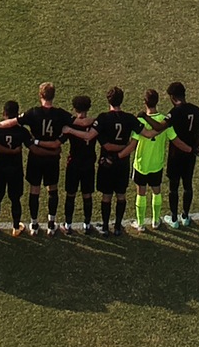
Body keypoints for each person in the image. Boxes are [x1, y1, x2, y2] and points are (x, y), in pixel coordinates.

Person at [15, 82, 70, 235]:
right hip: (52, 158)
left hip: (36, 157)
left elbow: (16, 122)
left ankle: (34, 224)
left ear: (40, 95)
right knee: (52, 188)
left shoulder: (33, 113)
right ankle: (51, 224)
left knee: (35, 189)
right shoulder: (60, 114)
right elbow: (75, 122)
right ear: (54, 95)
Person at [92, 87, 137, 235]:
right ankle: (118, 227)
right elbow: (140, 137)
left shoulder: (103, 118)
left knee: (106, 195)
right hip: (122, 163)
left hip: (107, 162)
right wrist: (126, 146)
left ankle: (105, 227)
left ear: (108, 100)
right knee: (121, 194)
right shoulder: (129, 118)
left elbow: (106, 145)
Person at [130, 90, 176, 231]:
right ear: (157, 102)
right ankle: (156, 221)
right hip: (157, 164)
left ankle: (141, 224)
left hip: (141, 163)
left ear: (144, 102)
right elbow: (174, 138)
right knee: (157, 191)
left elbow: (133, 143)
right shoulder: (164, 120)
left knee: (141, 192)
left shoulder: (140, 121)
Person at [163, 80, 199, 228]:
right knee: (188, 185)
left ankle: (174, 218)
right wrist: (194, 148)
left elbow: (166, 131)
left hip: (176, 155)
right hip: (190, 155)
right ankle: (185, 216)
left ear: (173, 97)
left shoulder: (174, 112)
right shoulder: (195, 110)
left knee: (173, 187)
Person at [0, 100, 27, 235]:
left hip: (0, 168)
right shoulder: (22, 131)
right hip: (16, 169)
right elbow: (32, 145)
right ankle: (15, 227)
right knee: (15, 199)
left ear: (4, 113)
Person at [60, 93, 98, 235]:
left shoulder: (71, 124)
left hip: (74, 164)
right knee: (87, 195)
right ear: (88, 107)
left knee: (71, 194)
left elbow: (61, 140)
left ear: (74, 108)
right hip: (88, 164)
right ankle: (87, 225)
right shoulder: (94, 123)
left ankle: (68, 224)